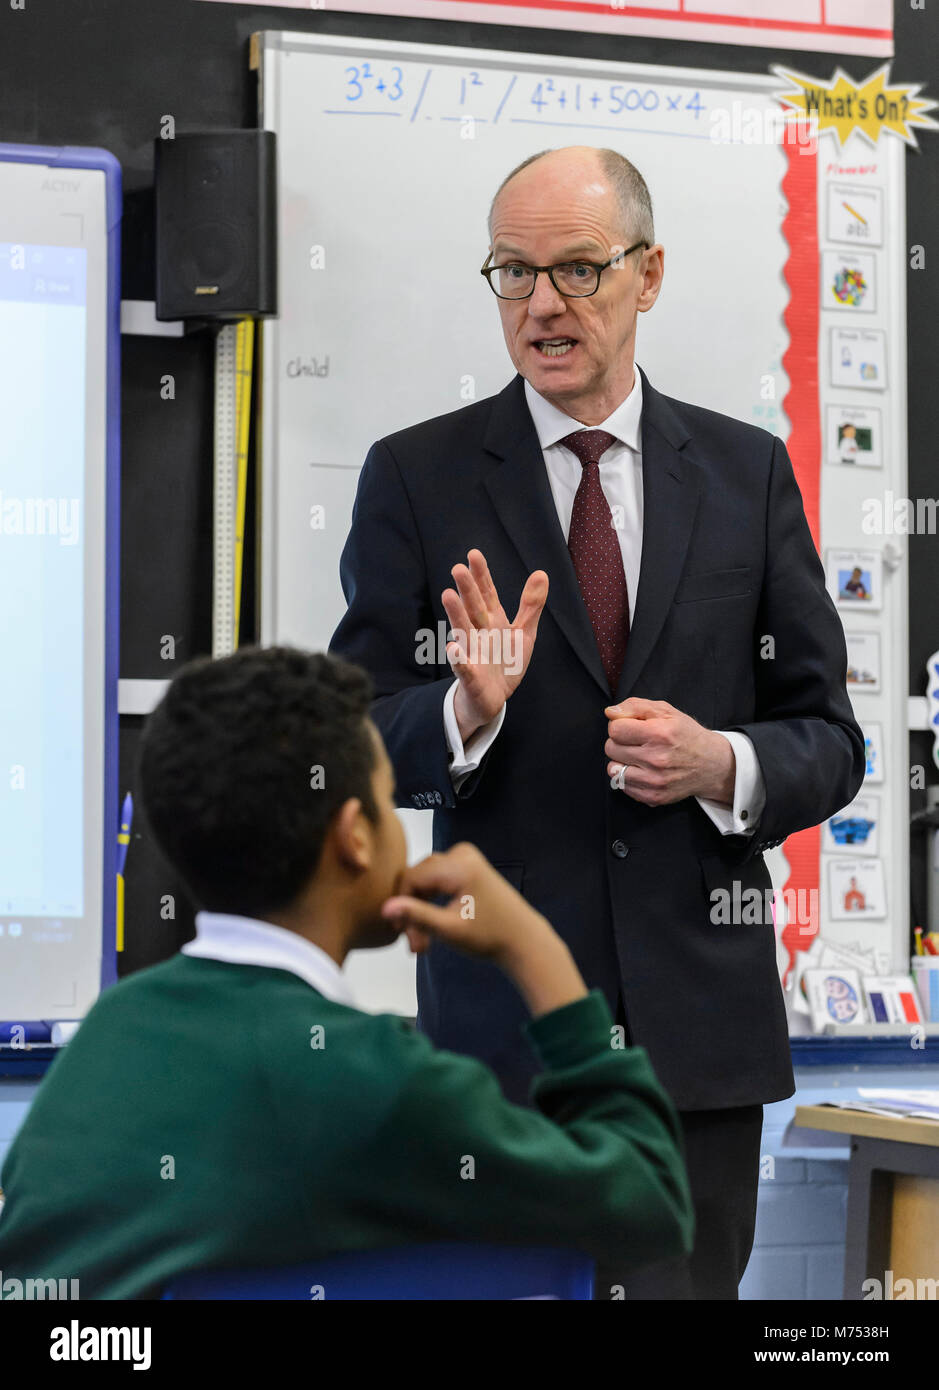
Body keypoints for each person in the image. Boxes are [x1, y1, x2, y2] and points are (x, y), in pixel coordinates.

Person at [329, 146, 866, 1299]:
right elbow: (354, 738)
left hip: (697, 1058)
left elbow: (829, 738)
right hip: (500, 1058)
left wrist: (724, 761)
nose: (542, 305)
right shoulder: (418, 478)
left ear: (649, 273)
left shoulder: (747, 474)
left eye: (576, 268)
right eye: (512, 274)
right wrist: (464, 713)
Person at [0, 646, 692, 1300]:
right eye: (390, 801)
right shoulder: (371, 1077)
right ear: (354, 836)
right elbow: (650, 1199)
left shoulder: (110, 1032)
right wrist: (533, 948)